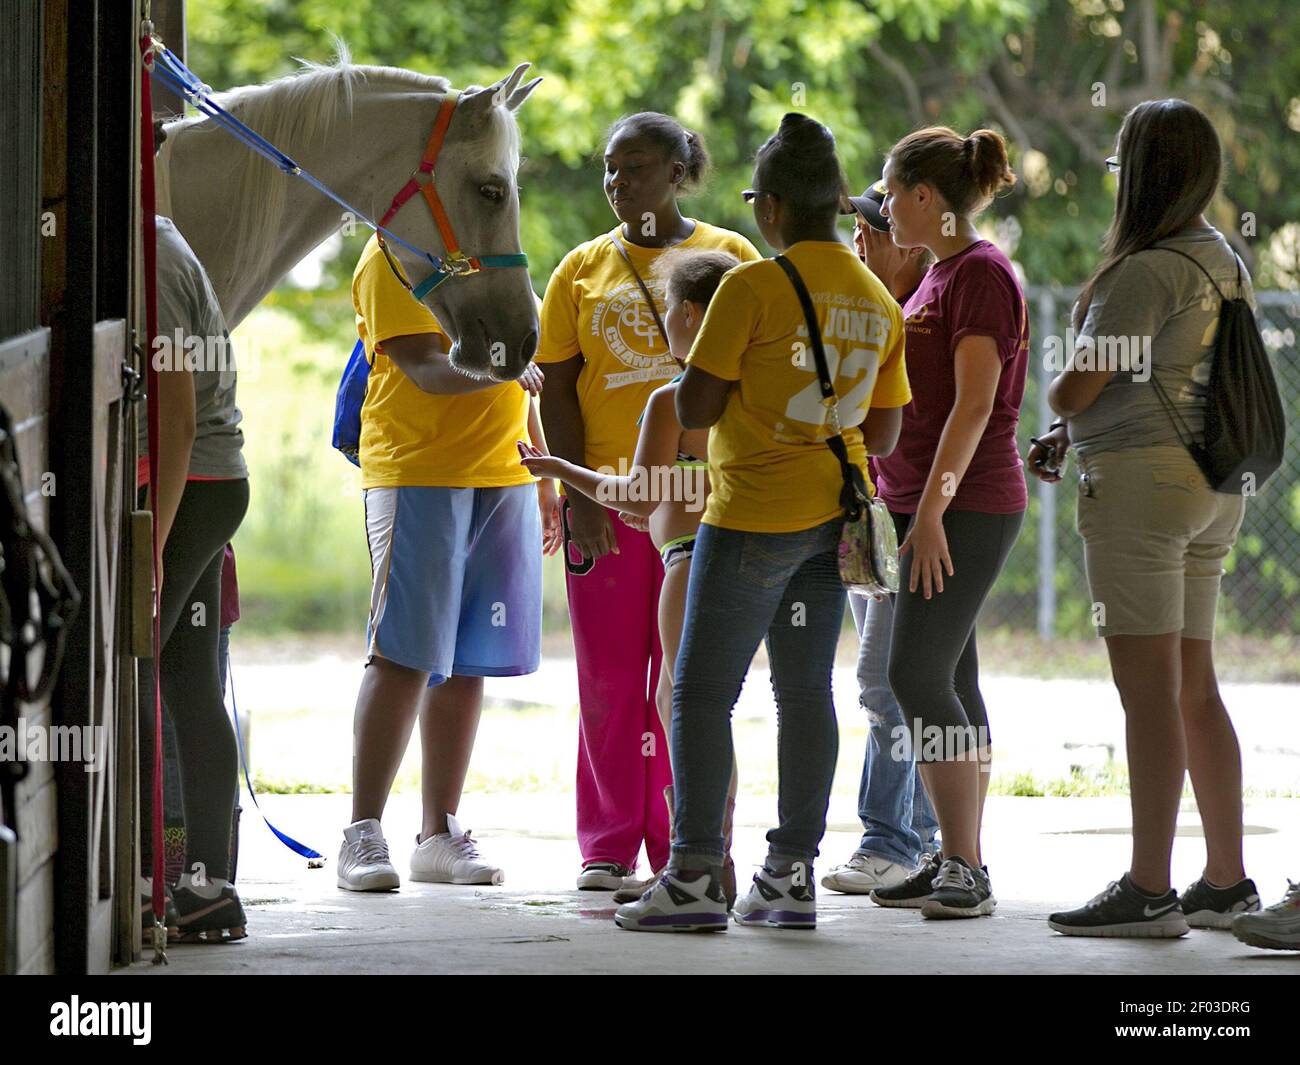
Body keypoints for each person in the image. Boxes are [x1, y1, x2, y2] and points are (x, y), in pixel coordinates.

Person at [614, 113, 910, 932]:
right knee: (804, 691)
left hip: (749, 516)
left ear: (771, 207)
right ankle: (789, 875)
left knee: (701, 693)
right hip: (831, 518)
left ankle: (696, 873)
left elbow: (696, 406)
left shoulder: (752, 286)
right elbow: (882, 434)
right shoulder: (877, 298)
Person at [1034, 99, 1262, 937]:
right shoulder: (1221, 256)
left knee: (1148, 695)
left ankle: (1150, 887)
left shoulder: (1144, 270)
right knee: (1195, 684)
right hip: (1211, 488)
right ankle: (1227, 880)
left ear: (1140, 173)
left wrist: (1062, 405)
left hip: (1139, 490)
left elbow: (1076, 386)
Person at [536, 113, 760, 890]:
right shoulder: (578, 269)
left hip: (703, 507)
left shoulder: (732, 256)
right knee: (607, 678)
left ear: (677, 170)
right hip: (609, 502)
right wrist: (577, 494)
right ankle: (606, 843)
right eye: (608, 167)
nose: (617, 181)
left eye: (634, 166)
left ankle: (683, 844)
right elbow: (556, 385)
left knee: (689, 682)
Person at [335, 234, 560, 892]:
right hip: (416, 471)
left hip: (504, 470)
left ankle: (439, 832)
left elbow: (527, 381)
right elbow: (425, 365)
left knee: (469, 660)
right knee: (403, 654)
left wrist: (543, 474)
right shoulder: (390, 257)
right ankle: (361, 832)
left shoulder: (498, 253)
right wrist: (500, 367)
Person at [863, 125, 1027, 921]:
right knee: (951, 677)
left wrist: (929, 510)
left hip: (968, 505)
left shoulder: (983, 273)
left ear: (927, 197)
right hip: (921, 505)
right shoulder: (937, 273)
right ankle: (958, 855)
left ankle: (964, 863)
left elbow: (974, 406)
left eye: (891, 193)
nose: (885, 207)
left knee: (914, 675)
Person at [137, 201, 250, 942]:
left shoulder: (157, 258)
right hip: (206, 484)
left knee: (135, 665)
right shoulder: (159, 239)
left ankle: (152, 877)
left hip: (196, 487)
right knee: (186, 682)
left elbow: (176, 418)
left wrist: (155, 545)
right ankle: (205, 885)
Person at [824, 179, 940, 895]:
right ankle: (925, 837)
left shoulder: (921, 317)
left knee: (884, 678)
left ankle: (888, 837)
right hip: (870, 515)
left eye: (872, 225)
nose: (859, 236)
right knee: (905, 679)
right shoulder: (875, 308)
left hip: (910, 519)